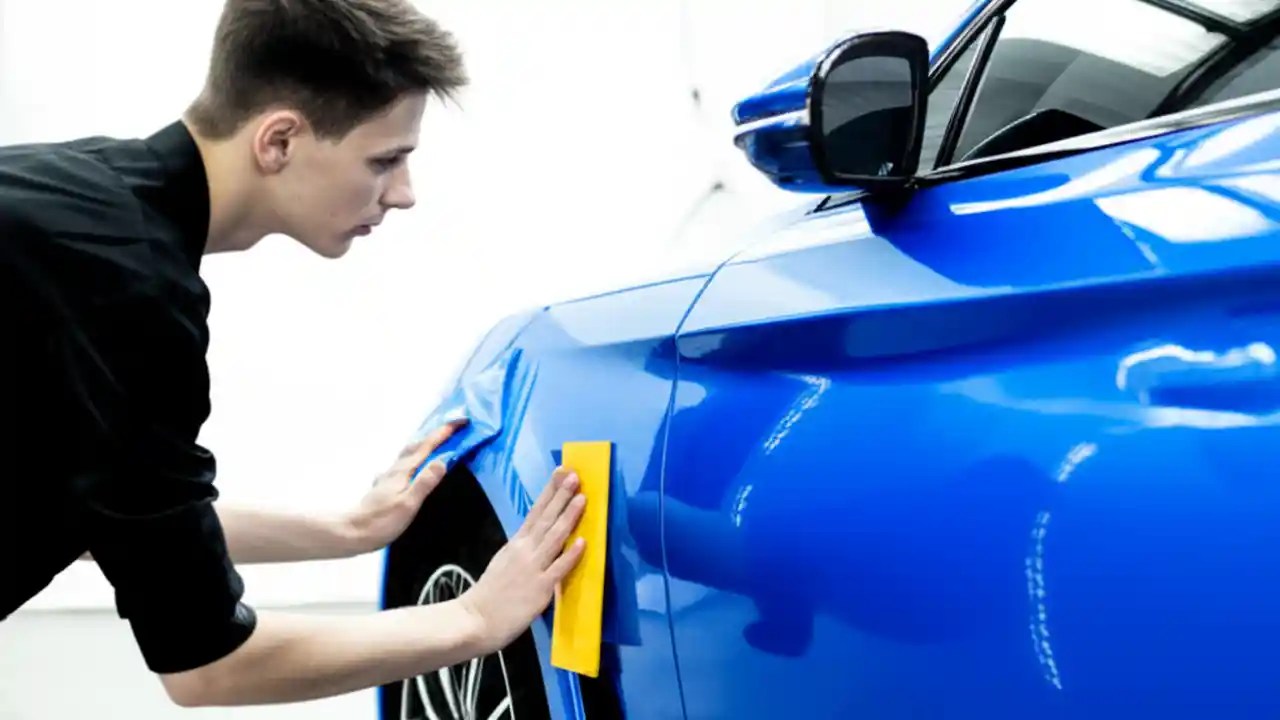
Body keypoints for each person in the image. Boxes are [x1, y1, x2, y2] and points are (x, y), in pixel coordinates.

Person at [0, 0, 587, 708]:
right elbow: (208, 665)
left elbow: (109, 521)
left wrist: (350, 532)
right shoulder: (128, 287)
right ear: (278, 140)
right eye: (385, 160)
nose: (403, 194)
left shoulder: (68, 195)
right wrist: (472, 620)